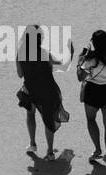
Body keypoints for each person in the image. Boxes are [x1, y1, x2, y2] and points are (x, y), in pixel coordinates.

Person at [16, 25, 71, 160]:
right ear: (39, 38)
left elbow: (19, 74)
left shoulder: (20, 54)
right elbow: (61, 63)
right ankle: (50, 152)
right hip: (48, 91)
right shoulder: (45, 53)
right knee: (48, 119)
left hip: (31, 91)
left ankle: (32, 144)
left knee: (30, 114)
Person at [77, 31, 106, 167]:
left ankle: (97, 150)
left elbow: (80, 77)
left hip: (94, 91)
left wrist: (81, 60)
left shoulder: (91, 60)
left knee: (91, 119)